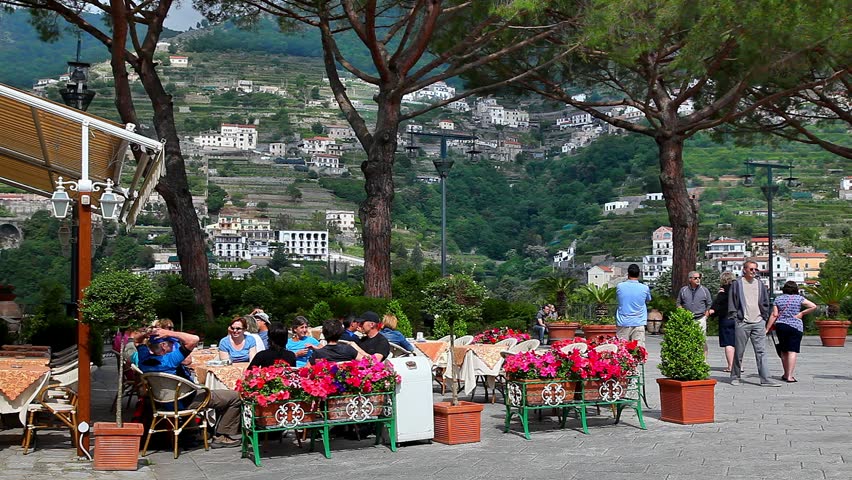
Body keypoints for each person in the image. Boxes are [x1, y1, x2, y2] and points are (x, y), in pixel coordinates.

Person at [139, 326, 243, 446]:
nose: (174, 347)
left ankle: (192, 432)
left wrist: (146, 335)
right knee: (234, 396)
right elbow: (194, 339)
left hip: (162, 401)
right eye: (171, 344)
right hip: (186, 401)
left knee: (207, 392)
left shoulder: (143, 359)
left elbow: (136, 340)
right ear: (163, 346)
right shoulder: (170, 360)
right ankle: (222, 436)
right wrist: (167, 332)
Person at [728, 260, 780, 387]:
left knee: (761, 351)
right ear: (744, 270)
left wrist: (764, 317)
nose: (754, 272)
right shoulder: (737, 284)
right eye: (751, 269)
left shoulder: (760, 284)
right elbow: (732, 301)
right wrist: (735, 317)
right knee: (739, 351)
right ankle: (735, 376)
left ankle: (765, 379)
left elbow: (765, 302)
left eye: (755, 269)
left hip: (758, 322)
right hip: (742, 322)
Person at [766, 281, 817, 383]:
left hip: (781, 326)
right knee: (792, 351)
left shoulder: (778, 299)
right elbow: (813, 306)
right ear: (795, 289)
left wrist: (767, 328)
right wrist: (801, 313)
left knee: (783, 350)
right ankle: (790, 376)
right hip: (795, 326)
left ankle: (785, 373)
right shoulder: (799, 298)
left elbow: (774, 315)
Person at [677, 270, 714, 355]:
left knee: (702, 340)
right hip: (687, 319)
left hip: (700, 318)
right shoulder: (683, 290)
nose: (698, 280)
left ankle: (703, 361)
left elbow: (709, 303)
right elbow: (678, 302)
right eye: (696, 278)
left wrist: (706, 315)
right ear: (690, 279)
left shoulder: (704, 290)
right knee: (687, 340)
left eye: (699, 278)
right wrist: (681, 312)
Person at [615, 264, 652, 347]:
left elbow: (618, 297)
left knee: (622, 349)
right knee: (639, 350)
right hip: (639, 322)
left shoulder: (620, 286)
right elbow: (648, 299)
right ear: (639, 274)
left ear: (628, 274)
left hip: (623, 322)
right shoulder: (644, 288)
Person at [711, 271, 736, 373]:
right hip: (738, 318)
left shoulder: (723, 291)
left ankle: (730, 366)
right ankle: (739, 366)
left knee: (728, 343)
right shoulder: (737, 290)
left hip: (725, 318)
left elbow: (717, 305)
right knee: (737, 343)